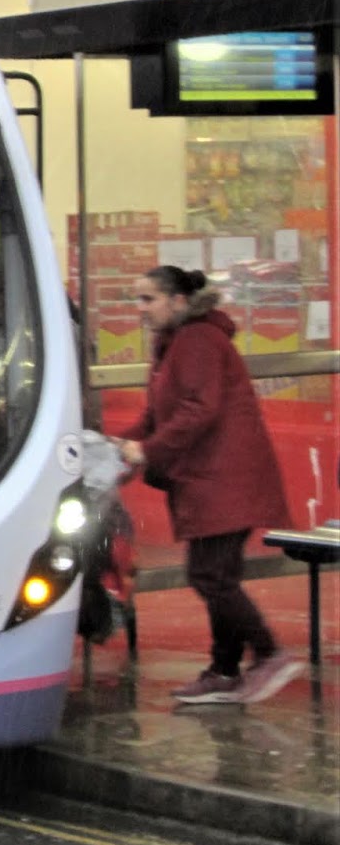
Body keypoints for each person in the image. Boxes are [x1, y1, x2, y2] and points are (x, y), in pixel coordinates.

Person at [115, 265, 302, 706]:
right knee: (216, 574)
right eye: (137, 299)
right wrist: (123, 444)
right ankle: (223, 670)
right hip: (211, 478)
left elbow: (199, 409)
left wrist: (148, 450)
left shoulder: (198, 340)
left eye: (148, 299)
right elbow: (160, 413)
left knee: (210, 575)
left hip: (224, 479)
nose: (140, 309)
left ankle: (269, 653)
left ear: (178, 301)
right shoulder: (175, 342)